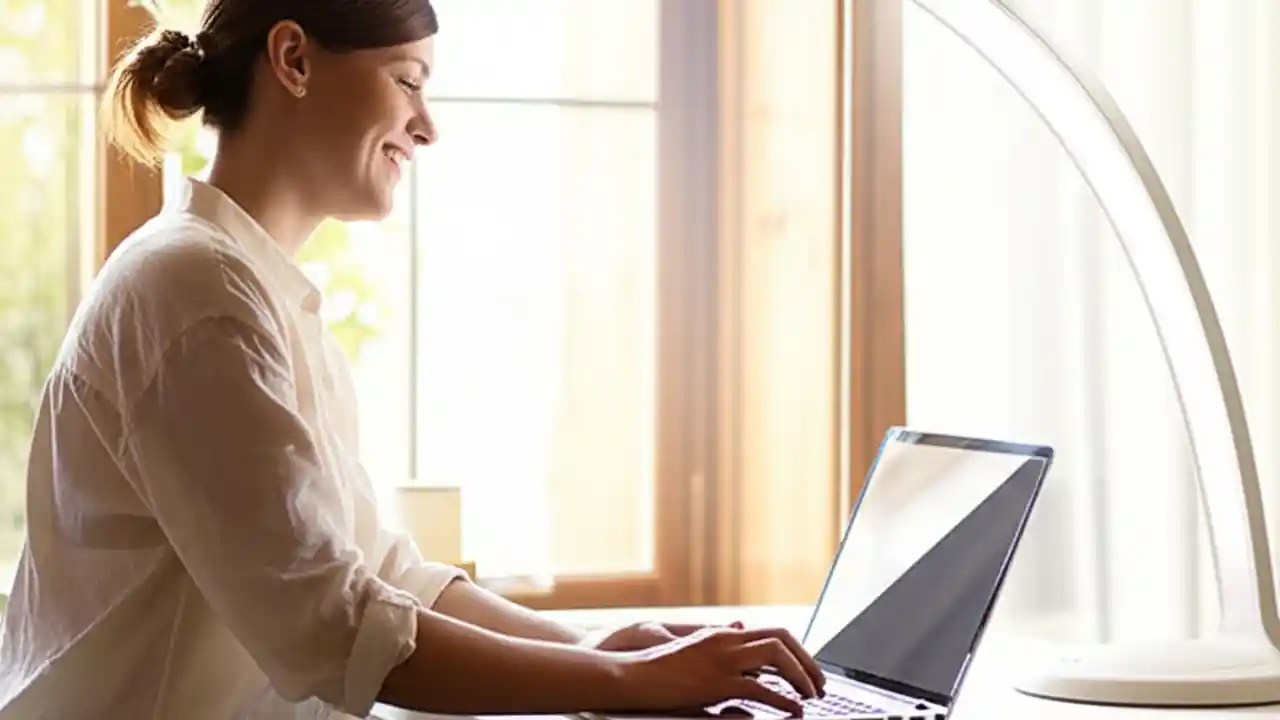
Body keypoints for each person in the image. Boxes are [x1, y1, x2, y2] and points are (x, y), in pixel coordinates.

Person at [0, 2, 826, 718]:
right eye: (408, 80)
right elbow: (334, 626)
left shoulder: (249, 289)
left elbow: (379, 569)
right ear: (294, 59)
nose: (427, 125)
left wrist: (597, 647)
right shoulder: (197, 290)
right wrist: (620, 679)